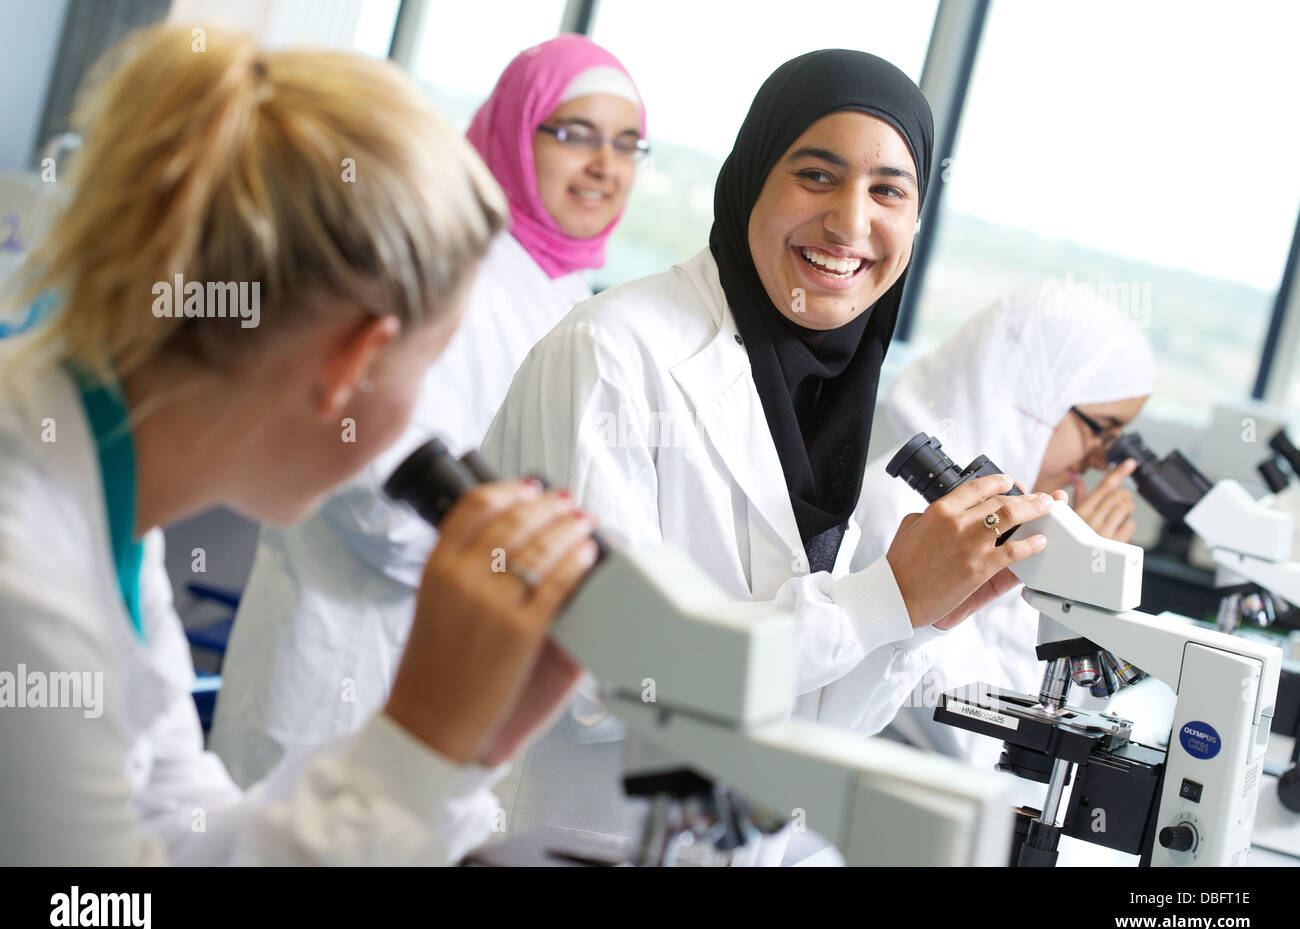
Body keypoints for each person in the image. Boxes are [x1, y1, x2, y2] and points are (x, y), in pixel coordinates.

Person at [0, 25, 598, 865]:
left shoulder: (111, 503)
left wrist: (465, 746)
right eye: (426, 367)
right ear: (352, 361)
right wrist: (417, 749)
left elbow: (177, 837)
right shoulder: (24, 574)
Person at [480, 49, 1059, 847]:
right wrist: (881, 599)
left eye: (889, 190)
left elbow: (806, 720)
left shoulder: (839, 400)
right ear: (752, 176)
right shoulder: (613, 352)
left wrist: (919, 616)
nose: (851, 222)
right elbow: (603, 675)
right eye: (817, 176)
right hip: (577, 838)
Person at [209, 35, 646, 787]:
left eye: (628, 144)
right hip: (341, 648)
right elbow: (366, 486)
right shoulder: (440, 263)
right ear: (513, 129)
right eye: (575, 134)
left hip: (470, 666)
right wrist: (512, 563)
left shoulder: (574, 302)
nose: (605, 166)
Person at [856, 282, 1156, 766]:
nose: (1102, 461)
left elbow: (1081, 709)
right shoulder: (900, 513)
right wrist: (1068, 584)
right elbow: (987, 738)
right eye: (1102, 431)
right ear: (1034, 397)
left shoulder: (1008, 509)